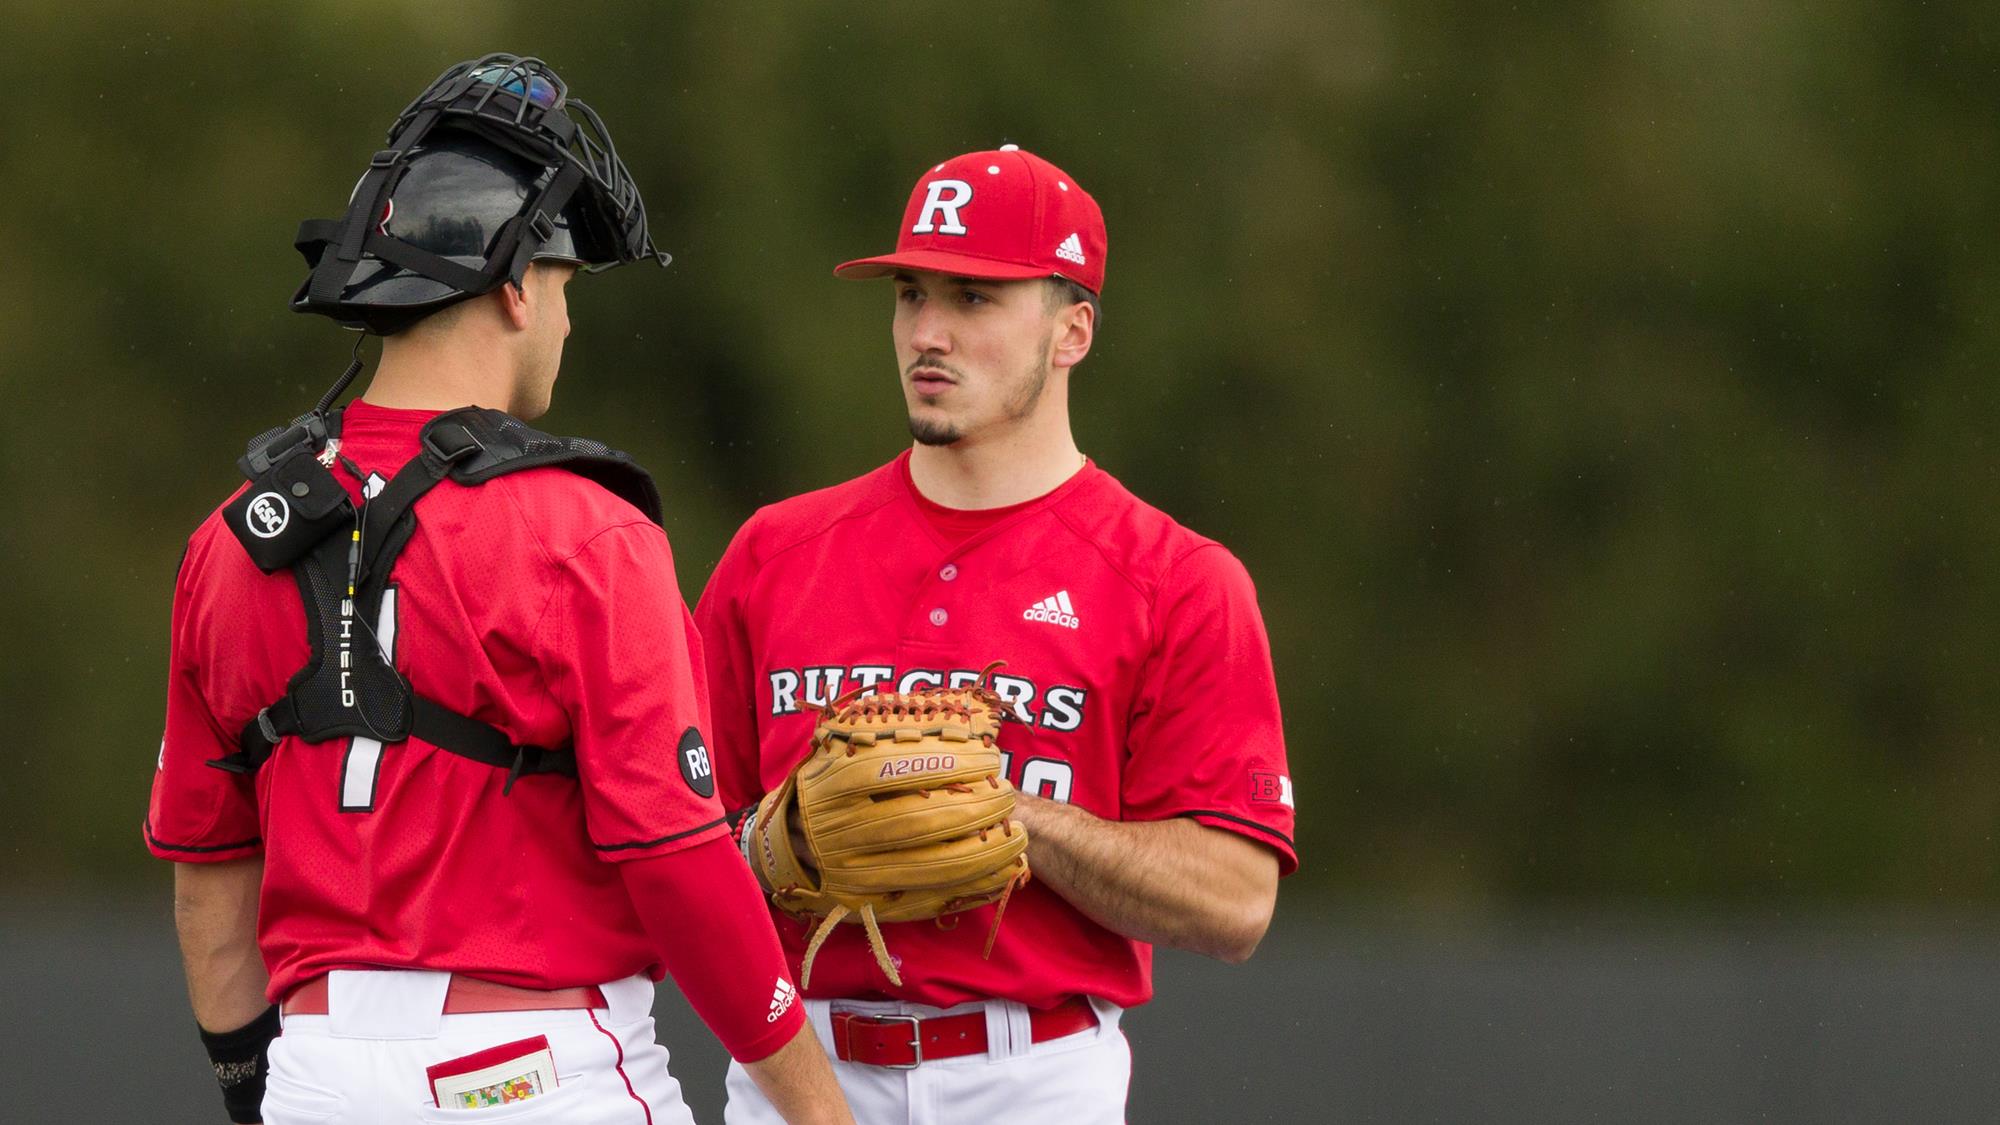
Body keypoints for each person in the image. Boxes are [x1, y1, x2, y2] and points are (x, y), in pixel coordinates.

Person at [146, 54, 852, 1125]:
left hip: (318, 1072)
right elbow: (673, 861)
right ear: (516, 288)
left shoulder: (226, 542)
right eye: (566, 287)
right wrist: (819, 1109)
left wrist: (259, 1093)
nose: (564, 322)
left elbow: (210, 879)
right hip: (533, 1069)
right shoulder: (587, 528)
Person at [695, 144, 1296, 1123]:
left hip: (1030, 1072)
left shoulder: (1174, 580)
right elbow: (670, 836)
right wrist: (771, 849)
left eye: (973, 299)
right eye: (909, 294)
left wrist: (1008, 816)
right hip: (799, 1064)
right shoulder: (774, 553)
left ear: (1072, 333)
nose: (925, 332)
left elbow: (1234, 905)